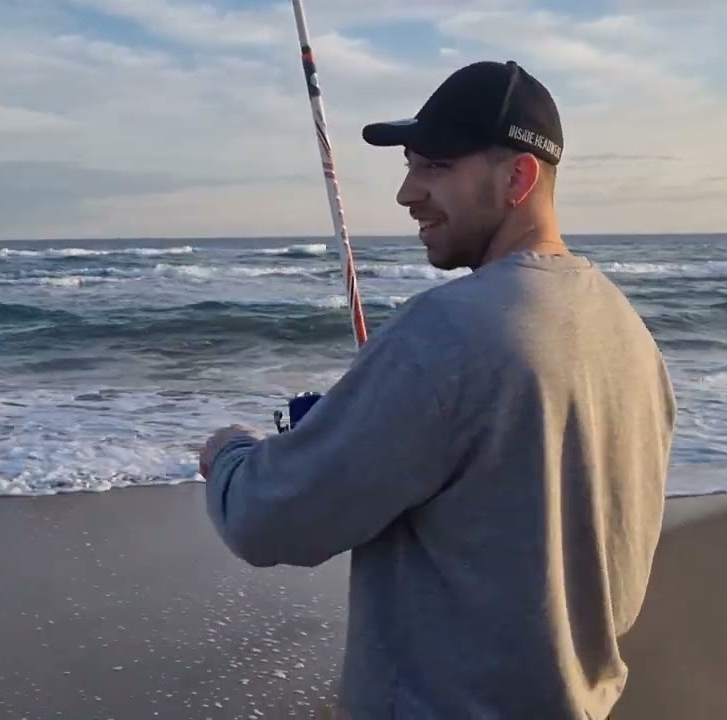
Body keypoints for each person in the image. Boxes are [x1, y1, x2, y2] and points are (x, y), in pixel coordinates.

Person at [198, 60, 677, 719]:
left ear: (519, 177)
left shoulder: (449, 332)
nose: (407, 193)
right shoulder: (630, 336)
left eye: (435, 166)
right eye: (410, 165)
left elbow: (266, 520)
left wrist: (228, 457)